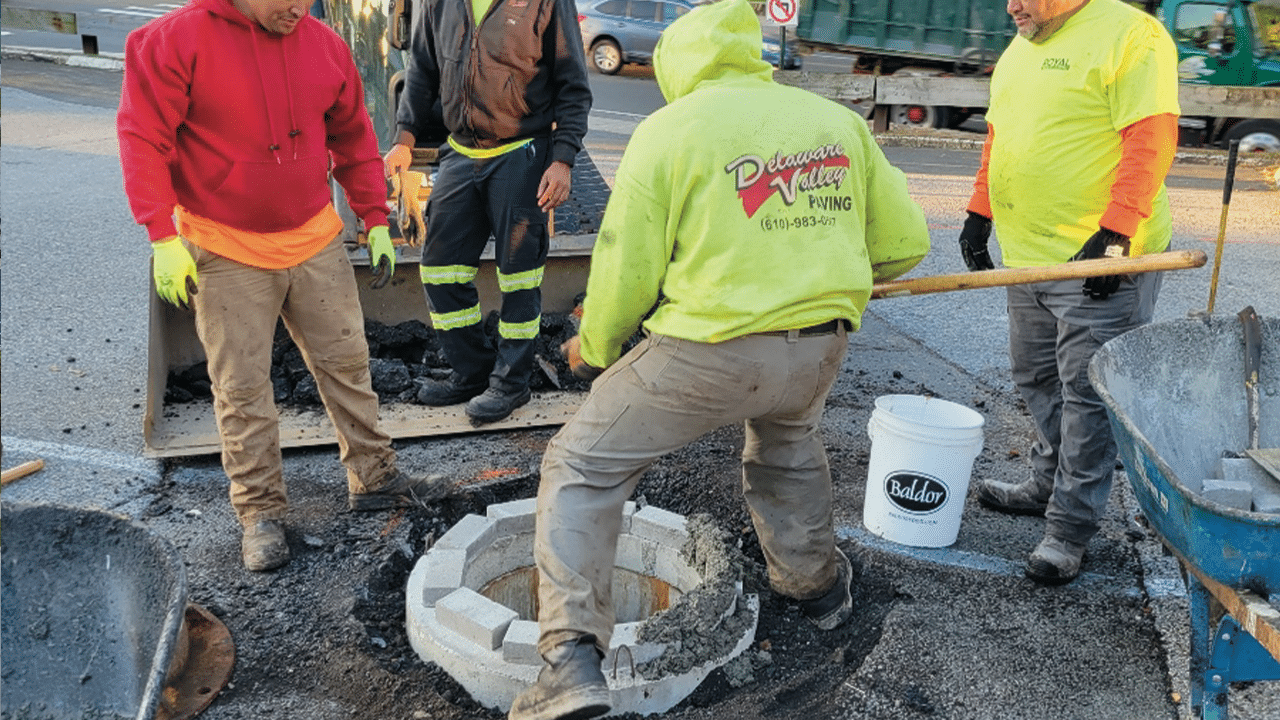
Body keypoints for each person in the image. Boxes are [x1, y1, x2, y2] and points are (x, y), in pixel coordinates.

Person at [507, 2, 931, 717]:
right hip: (818, 346)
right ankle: (819, 591)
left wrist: (597, 350)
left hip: (709, 354)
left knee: (582, 465)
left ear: (678, 64)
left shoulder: (671, 130)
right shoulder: (837, 124)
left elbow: (625, 271)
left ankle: (569, 661)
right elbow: (903, 244)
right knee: (785, 445)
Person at [117, 0, 444, 573]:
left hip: (314, 238)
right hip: (224, 245)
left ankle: (375, 477)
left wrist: (373, 218)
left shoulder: (323, 44)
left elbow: (353, 136)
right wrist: (161, 234)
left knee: (347, 362)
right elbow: (143, 138)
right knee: (242, 388)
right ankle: (260, 513)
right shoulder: (174, 41)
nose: (300, 7)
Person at [957, 0, 1179, 585]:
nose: (1012, 6)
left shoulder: (1132, 35)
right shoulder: (1019, 48)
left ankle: (1068, 530)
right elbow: (999, 139)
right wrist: (980, 213)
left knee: (1086, 396)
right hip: (1027, 259)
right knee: (1036, 377)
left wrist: (1118, 232)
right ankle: (1046, 484)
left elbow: (1151, 138)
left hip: (1097, 258)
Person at [383, 0, 592, 425]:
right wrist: (404, 138)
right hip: (460, 151)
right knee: (439, 269)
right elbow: (422, 69)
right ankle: (474, 372)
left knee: (519, 276)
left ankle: (512, 384)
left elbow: (573, 84)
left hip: (522, 150)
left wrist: (563, 158)